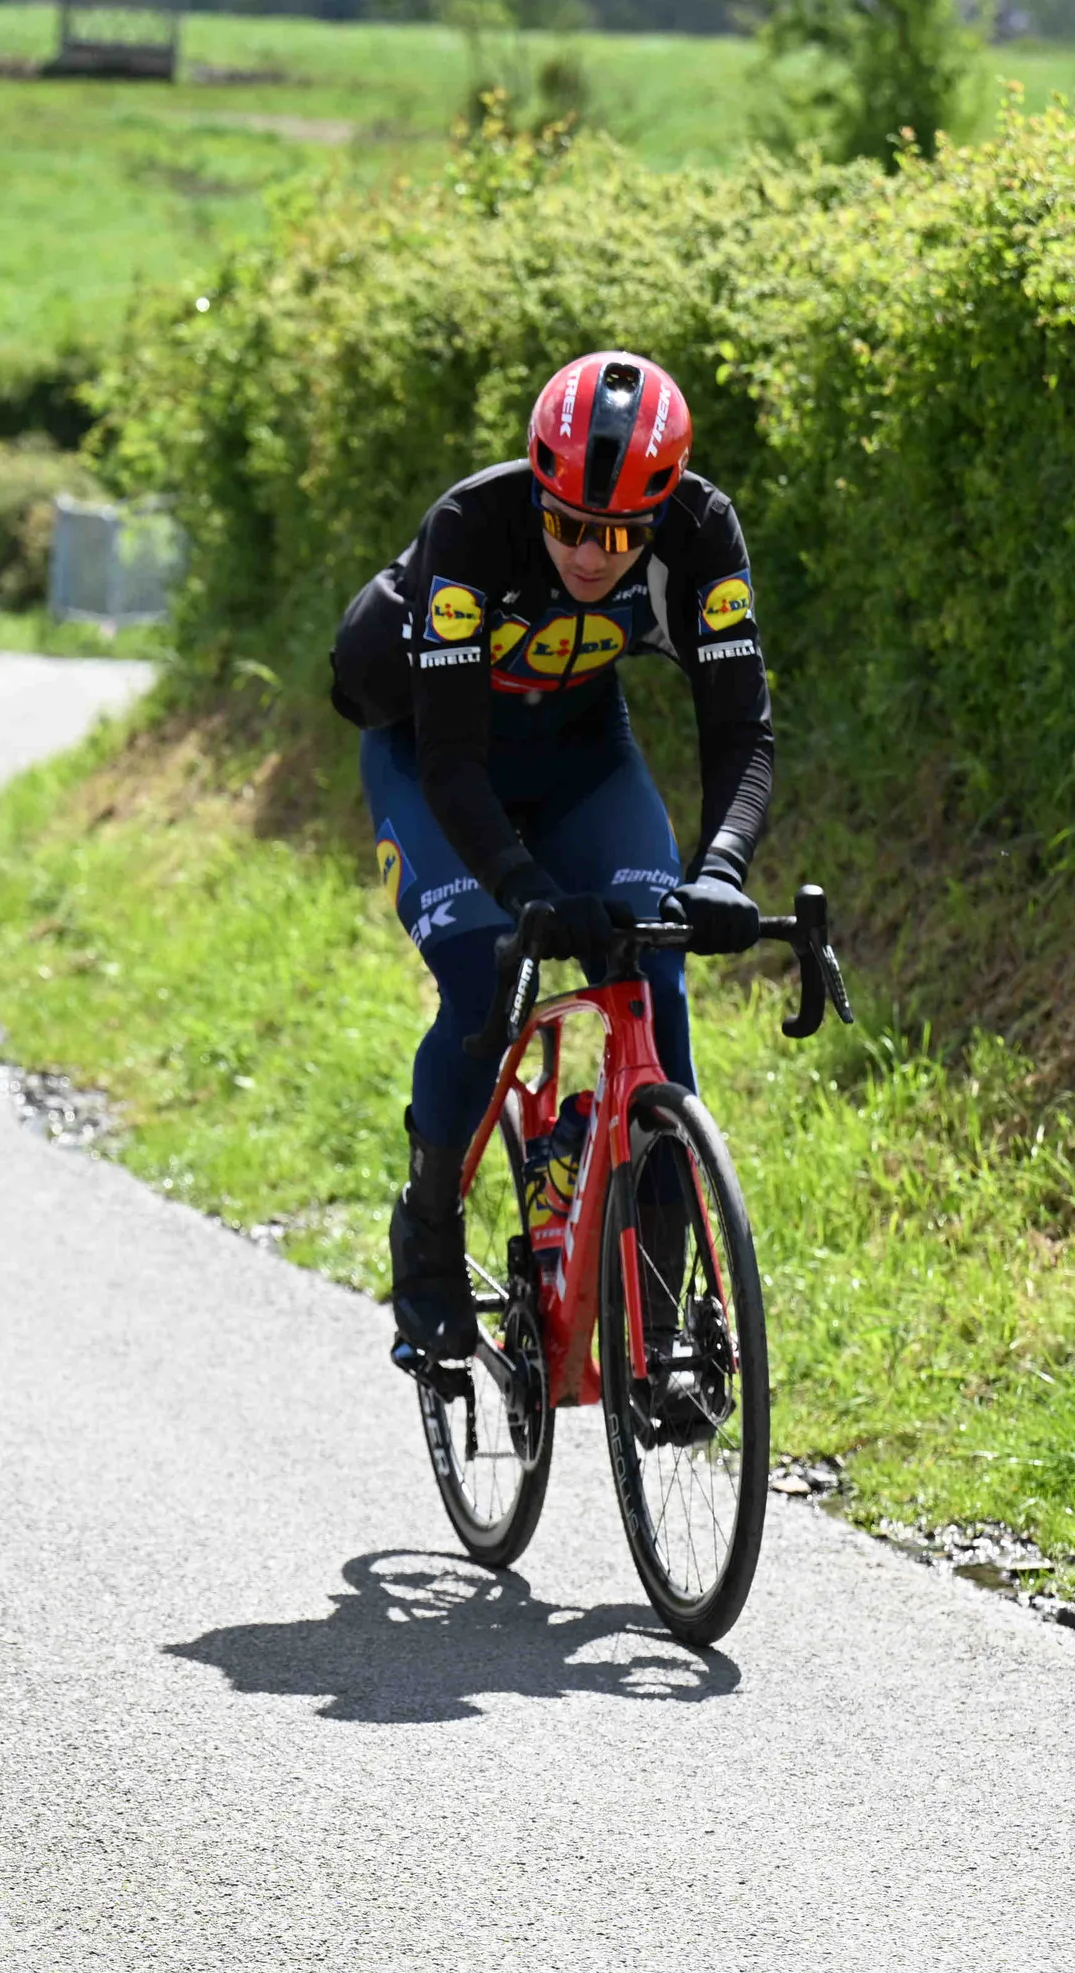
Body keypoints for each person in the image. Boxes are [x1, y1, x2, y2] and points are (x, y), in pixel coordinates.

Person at [328, 349, 776, 1366]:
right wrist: (526, 889)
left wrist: (720, 871)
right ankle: (429, 1223)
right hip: (436, 758)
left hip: (580, 758)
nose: (588, 553)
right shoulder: (473, 527)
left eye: (618, 534)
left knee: (655, 973)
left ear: (659, 516)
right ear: (540, 485)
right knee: (492, 970)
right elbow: (448, 761)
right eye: (568, 522)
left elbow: (741, 734)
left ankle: (661, 1323)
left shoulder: (703, 535)